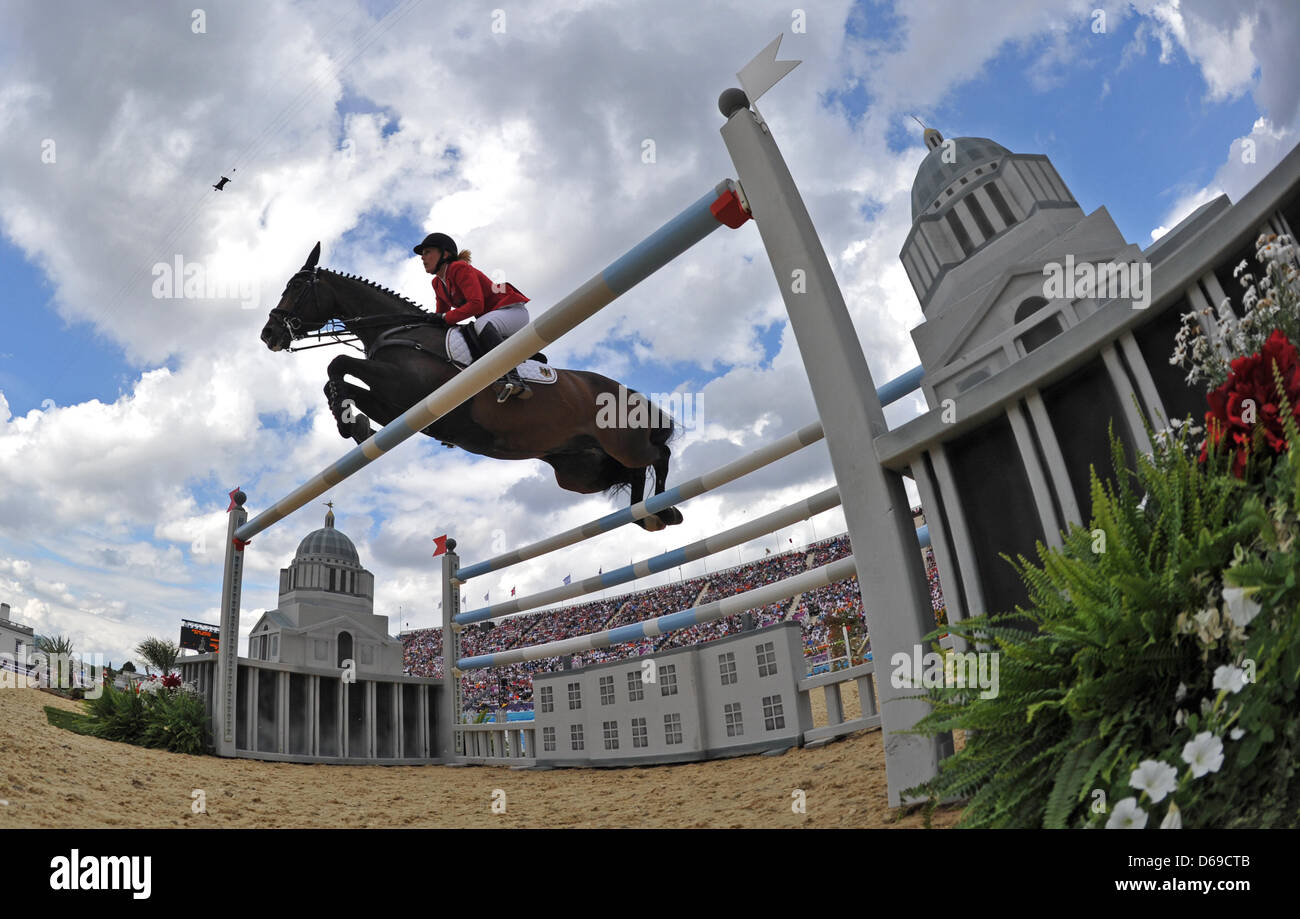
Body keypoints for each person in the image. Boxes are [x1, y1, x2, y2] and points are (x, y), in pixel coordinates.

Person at [413, 232, 533, 401]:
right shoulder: (437, 283)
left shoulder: (458, 268)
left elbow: (476, 304)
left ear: (445, 254)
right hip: (492, 319)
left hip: (512, 312)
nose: (422, 258)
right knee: (472, 328)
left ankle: (512, 377)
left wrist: (443, 318)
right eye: (422, 254)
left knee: (480, 324)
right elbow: (442, 315)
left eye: (427, 252)